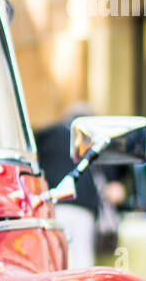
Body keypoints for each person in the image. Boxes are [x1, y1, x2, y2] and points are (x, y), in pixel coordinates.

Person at [35, 103, 123, 270]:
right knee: (83, 265)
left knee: (55, 263)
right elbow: (113, 189)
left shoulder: (47, 135)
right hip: (83, 210)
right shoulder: (96, 141)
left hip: (53, 207)